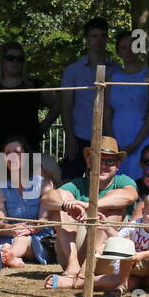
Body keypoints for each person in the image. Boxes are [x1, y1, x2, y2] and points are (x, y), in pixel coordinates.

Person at [41, 136, 139, 286]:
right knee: (60, 204)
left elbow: (130, 196)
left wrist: (88, 205)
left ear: (117, 165)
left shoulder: (123, 181)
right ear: (89, 161)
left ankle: (86, 270)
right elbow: (47, 198)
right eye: (98, 160)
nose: (103, 165)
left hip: (107, 254)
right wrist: (66, 206)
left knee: (112, 208)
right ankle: (73, 266)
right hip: (74, 252)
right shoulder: (77, 184)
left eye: (110, 161)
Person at [59, 18, 118, 181]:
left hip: (108, 137)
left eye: (102, 36)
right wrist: (70, 138)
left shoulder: (117, 71)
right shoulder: (72, 71)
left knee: (107, 183)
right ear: (87, 39)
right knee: (70, 182)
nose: (98, 40)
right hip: (79, 136)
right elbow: (66, 107)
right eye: (94, 36)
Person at [0, 140, 57, 267]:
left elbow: (45, 218)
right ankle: (11, 257)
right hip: (11, 237)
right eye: (7, 153)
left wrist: (31, 228)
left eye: (17, 152)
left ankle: (7, 256)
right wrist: (12, 229)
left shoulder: (44, 183)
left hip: (40, 238)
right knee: (7, 244)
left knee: (21, 239)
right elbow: (0, 225)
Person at [0, 41, 54, 154]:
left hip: (27, 145)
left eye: (20, 59)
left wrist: (44, 125)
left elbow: (58, 103)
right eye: (10, 58)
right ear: (2, 60)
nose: (15, 62)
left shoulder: (35, 85)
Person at [108, 30, 149, 181]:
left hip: (142, 133)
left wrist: (137, 142)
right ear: (118, 51)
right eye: (123, 47)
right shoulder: (111, 77)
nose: (128, 51)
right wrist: (112, 141)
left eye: (132, 46)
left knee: (146, 177)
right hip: (118, 134)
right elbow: (107, 112)